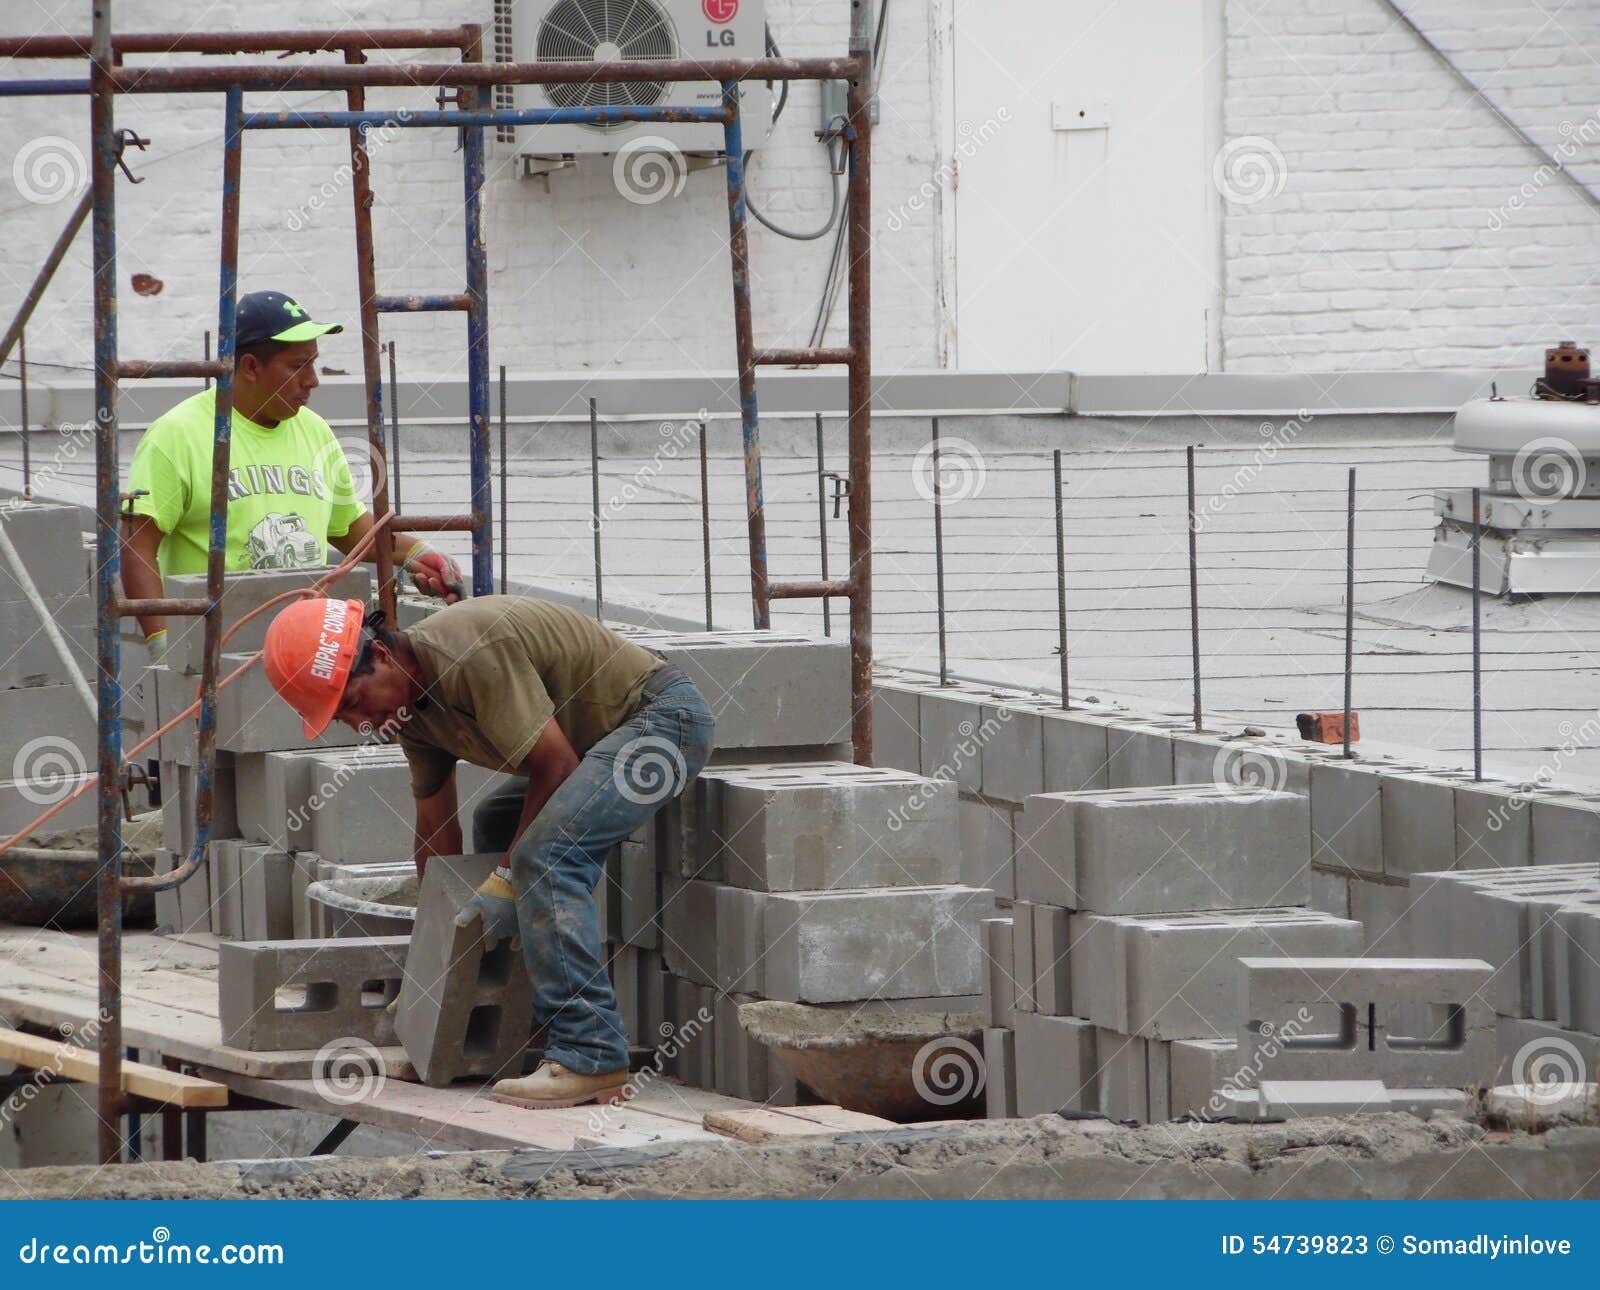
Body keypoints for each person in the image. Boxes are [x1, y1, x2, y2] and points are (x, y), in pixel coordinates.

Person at [259, 594, 717, 1110]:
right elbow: (437, 834)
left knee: (543, 855)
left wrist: (504, 880)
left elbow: (557, 767)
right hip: (599, 746)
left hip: (661, 726)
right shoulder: (409, 711)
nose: (362, 722)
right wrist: (437, 957)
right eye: (344, 718)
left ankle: (591, 1053)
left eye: (356, 702)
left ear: (382, 657)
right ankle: (531, 1030)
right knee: (497, 823)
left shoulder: (469, 653)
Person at [121, 290, 462, 658]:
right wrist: (163, 644)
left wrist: (417, 554)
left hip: (306, 647)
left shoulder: (315, 431)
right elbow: (136, 547)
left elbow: (349, 529)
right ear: (251, 367)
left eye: (313, 363)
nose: (313, 380)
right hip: (218, 649)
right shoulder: (178, 435)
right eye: (298, 365)